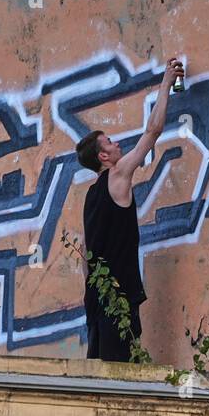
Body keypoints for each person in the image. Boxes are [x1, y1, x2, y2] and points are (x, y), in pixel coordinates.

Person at [75, 56, 184, 360]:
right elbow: (152, 131)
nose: (116, 143)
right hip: (119, 298)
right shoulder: (118, 176)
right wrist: (166, 82)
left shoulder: (91, 196)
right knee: (122, 375)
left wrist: (92, 290)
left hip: (97, 301)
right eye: (109, 142)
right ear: (104, 157)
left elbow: (85, 252)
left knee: (101, 371)